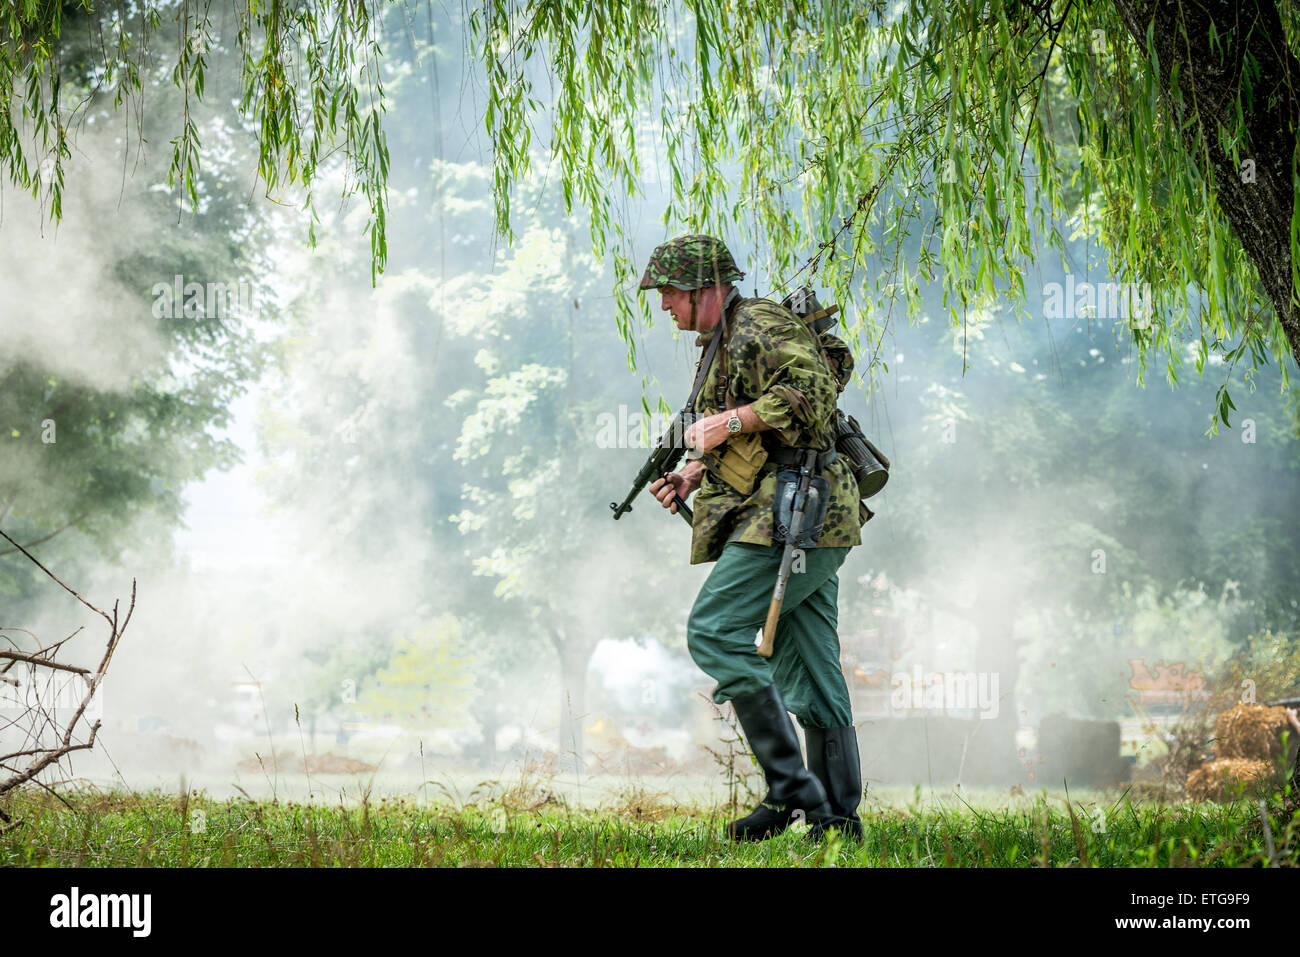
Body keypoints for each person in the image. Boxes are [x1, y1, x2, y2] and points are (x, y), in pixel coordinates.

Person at [639, 234, 866, 841]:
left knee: (713, 630)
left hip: (798, 514)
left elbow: (815, 391)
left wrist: (728, 421)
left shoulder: (756, 322)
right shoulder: (720, 341)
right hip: (796, 514)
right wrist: (691, 475)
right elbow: (749, 440)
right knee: (813, 673)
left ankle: (792, 790)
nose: (663, 306)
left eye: (668, 293)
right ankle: (837, 824)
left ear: (704, 289)